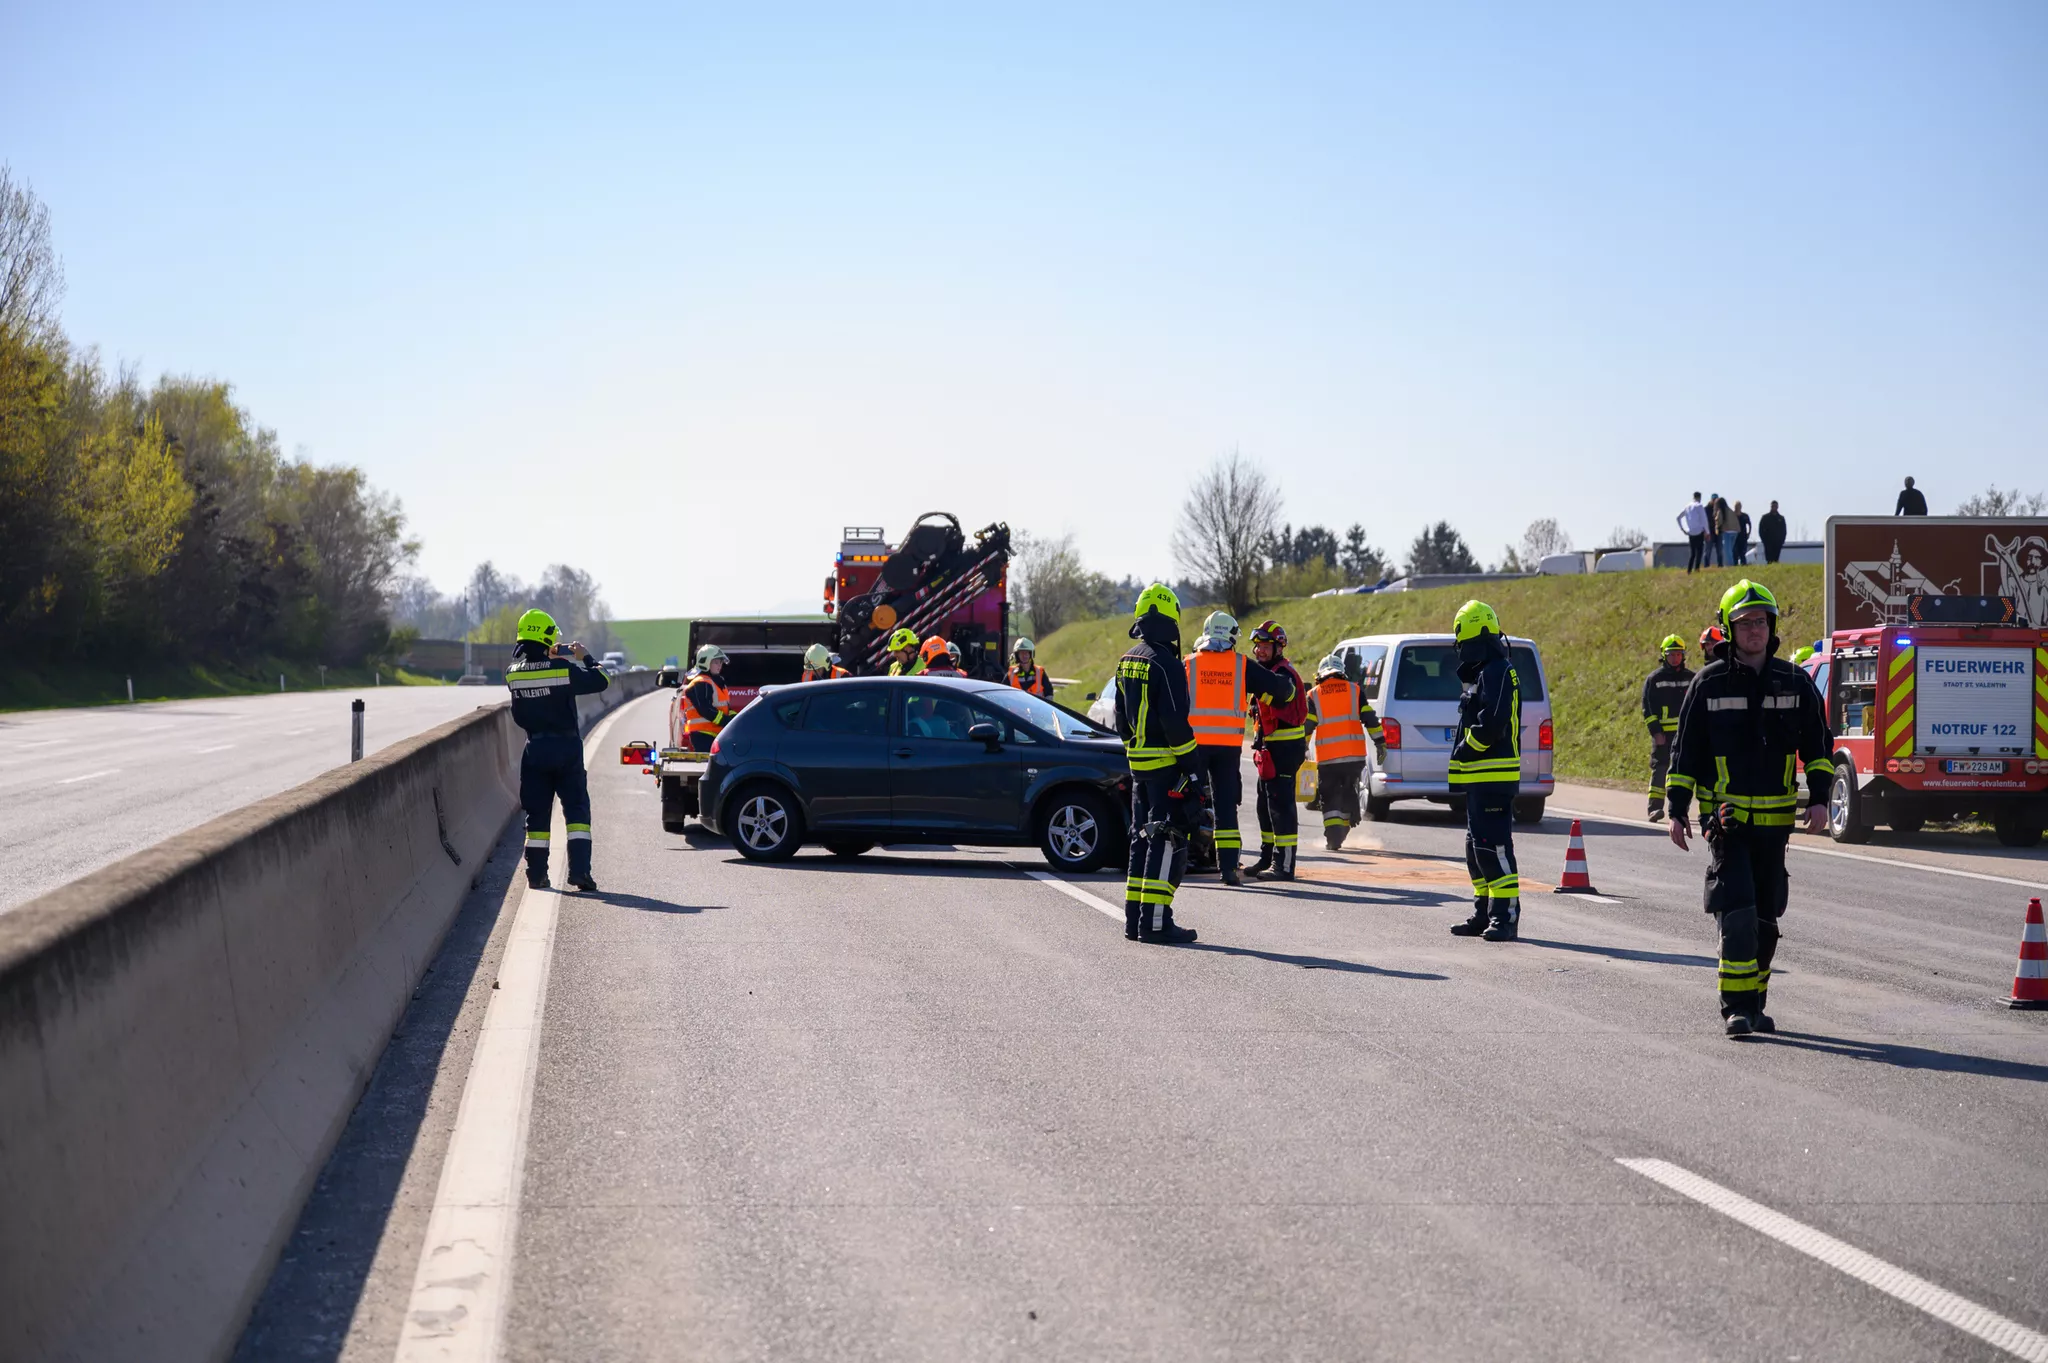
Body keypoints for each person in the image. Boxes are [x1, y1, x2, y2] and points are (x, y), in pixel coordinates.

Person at [1666, 580, 1835, 1038]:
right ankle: (1736, 1008)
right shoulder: (1707, 684)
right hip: (1728, 824)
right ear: (1729, 629)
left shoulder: (1796, 682)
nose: (1754, 630)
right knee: (1737, 911)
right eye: (1744, 623)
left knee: (1766, 917)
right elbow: (1686, 753)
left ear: (1771, 626)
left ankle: (1756, 1002)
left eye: (1760, 621)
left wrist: (1820, 798)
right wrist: (1676, 808)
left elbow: (1819, 747)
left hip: (1776, 826)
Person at [1114, 584, 1203, 944]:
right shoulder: (1165, 664)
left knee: (1140, 839)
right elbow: (1175, 722)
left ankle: (1134, 921)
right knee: (1166, 839)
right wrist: (1194, 771)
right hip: (1167, 765)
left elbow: (1121, 719)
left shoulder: (1127, 660)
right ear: (1171, 620)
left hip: (1139, 766)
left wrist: (1135, 750)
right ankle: (1155, 923)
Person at [1185, 611, 1295, 885]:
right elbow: (1284, 691)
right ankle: (1229, 870)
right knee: (1225, 809)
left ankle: (1180, 861)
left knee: (1186, 804)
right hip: (1227, 750)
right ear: (1232, 636)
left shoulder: (1188, 664)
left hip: (1194, 747)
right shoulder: (1241, 665)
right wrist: (1285, 686)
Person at [505, 609, 609, 891]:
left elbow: (519, 712)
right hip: (566, 748)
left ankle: (537, 875)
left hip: (535, 748)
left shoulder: (512, 674)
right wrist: (585, 656)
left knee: (536, 815)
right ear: (546, 637)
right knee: (576, 811)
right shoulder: (563, 669)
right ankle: (579, 873)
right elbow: (602, 680)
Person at [1447, 600, 1523, 942]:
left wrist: (1466, 748)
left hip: (1494, 776)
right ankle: (1483, 913)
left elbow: (1492, 722)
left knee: (1494, 848)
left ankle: (1505, 917)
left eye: (1460, 637)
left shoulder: (1499, 671)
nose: (1458, 646)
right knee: (1476, 849)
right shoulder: (1484, 672)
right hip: (1479, 779)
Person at [1245, 619, 1309, 881]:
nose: (1260, 651)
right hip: (1269, 748)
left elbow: (1282, 693)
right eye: (1257, 646)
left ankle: (1284, 865)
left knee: (1281, 806)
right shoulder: (1266, 673)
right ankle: (1267, 856)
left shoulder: (1285, 675)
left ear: (1278, 648)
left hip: (1285, 749)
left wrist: (1251, 676)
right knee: (1264, 805)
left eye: (1265, 646)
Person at [1308, 652, 1385, 850]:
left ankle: (1334, 838)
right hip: (1354, 757)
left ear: (1320, 674)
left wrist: (1300, 749)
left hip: (1328, 758)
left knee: (1329, 797)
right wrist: (1380, 742)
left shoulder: (1314, 694)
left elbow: (1307, 726)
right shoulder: (1355, 690)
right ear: (1342, 672)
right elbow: (1370, 719)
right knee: (1349, 792)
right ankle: (1343, 828)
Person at [1641, 634, 1693, 823]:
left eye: (1678, 654)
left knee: (1684, 771)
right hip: (1663, 735)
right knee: (1660, 768)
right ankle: (1655, 808)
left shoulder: (1692, 678)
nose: (1675, 658)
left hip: (1685, 734)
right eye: (1671, 654)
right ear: (1664, 655)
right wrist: (1656, 732)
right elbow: (1648, 708)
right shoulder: (1654, 679)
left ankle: (1682, 809)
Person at [681, 645, 731, 752]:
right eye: (716, 662)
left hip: (715, 734)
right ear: (706, 663)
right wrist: (728, 721)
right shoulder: (700, 683)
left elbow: (724, 709)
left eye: (721, 662)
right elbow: (706, 710)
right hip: (703, 735)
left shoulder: (716, 682)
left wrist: (738, 718)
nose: (719, 666)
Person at [1677, 494, 1710, 573]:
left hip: (1690, 532)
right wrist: (1707, 532)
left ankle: (1689, 570)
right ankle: (1697, 568)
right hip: (1699, 531)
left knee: (1692, 553)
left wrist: (1682, 529)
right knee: (1699, 551)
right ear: (1699, 498)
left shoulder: (1687, 507)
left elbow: (1678, 518)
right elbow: (1704, 520)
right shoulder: (1699, 506)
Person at [1708, 493, 1733, 567]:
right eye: (1713, 499)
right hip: (1710, 532)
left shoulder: (1721, 509)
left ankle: (1720, 565)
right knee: (1708, 550)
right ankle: (1707, 565)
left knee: (1720, 550)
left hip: (1719, 532)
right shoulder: (1706, 509)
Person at [1732, 500, 1752, 566]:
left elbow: (1749, 525)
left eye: (1739, 506)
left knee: (1742, 553)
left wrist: (1748, 533)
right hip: (1734, 537)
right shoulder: (1732, 516)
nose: (1737, 507)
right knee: (1735, 553)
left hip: (1743, 537)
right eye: (1736, 506)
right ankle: (1735, 565)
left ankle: (1744, 565)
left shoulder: (1745, 516)